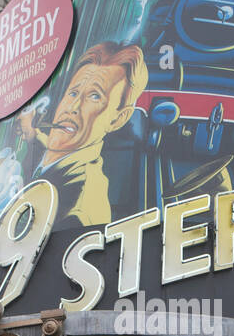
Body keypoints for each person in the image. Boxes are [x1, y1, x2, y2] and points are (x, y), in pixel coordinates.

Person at [18, 41, 148, 228]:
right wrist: (30, 132)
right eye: (73, 93)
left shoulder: (81, 205)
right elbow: (46, 146)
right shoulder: (57, 150)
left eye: (95, 96)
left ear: (117, 119)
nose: (72, 108)